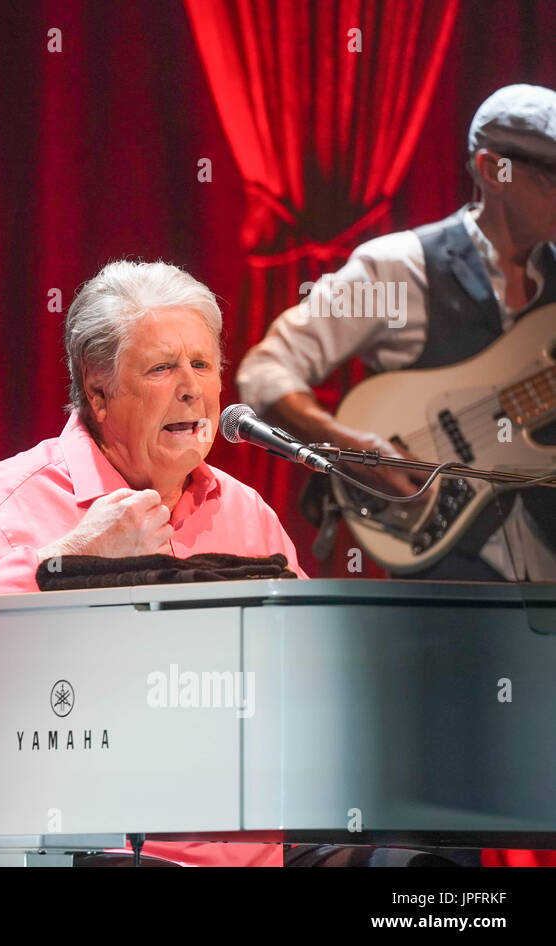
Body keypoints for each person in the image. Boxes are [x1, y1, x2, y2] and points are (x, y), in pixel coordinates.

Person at [0, 259, 306, 867]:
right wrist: (66, 562)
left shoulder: (245, 512)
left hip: (246, 851)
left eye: (203, 364)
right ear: (99, 393)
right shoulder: (16, 498)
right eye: (162, 367)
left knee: (419, 879)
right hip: (82, 851)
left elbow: (313, 671)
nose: (193, 388)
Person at [236, 84, 556, 584]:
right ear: (496, 170)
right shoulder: (400, 269)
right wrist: (349, 449)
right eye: (549, 178)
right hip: (443, 564)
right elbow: (265, 370)